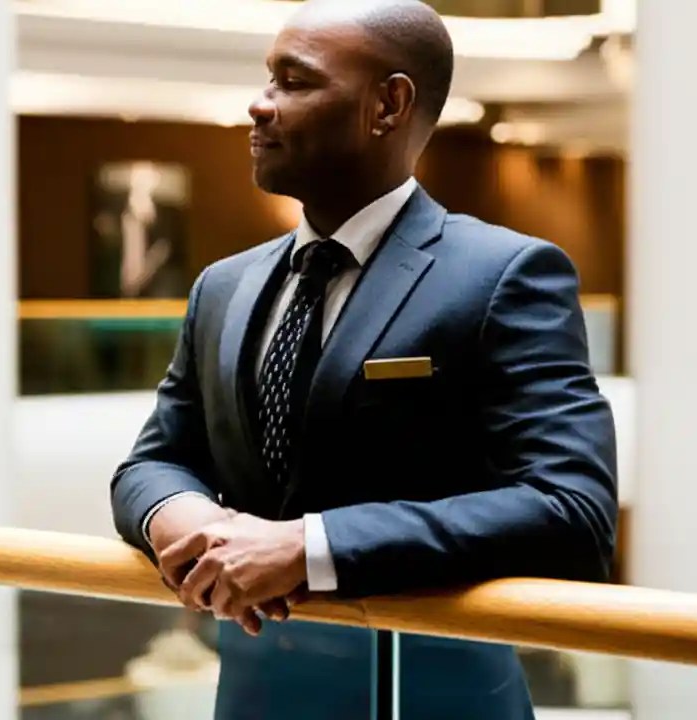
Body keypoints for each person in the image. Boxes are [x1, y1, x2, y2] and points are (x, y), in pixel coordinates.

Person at [110, 0, 618, 717]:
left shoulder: (505, 274)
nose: (260, 105)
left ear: (389, 103)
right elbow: (152, 461)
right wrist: (184, 518)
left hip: (430, 697)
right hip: (257, 697)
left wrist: (307, 546)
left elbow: (571, 510)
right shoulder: (223, 285)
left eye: (295, 81)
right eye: (267, 78)